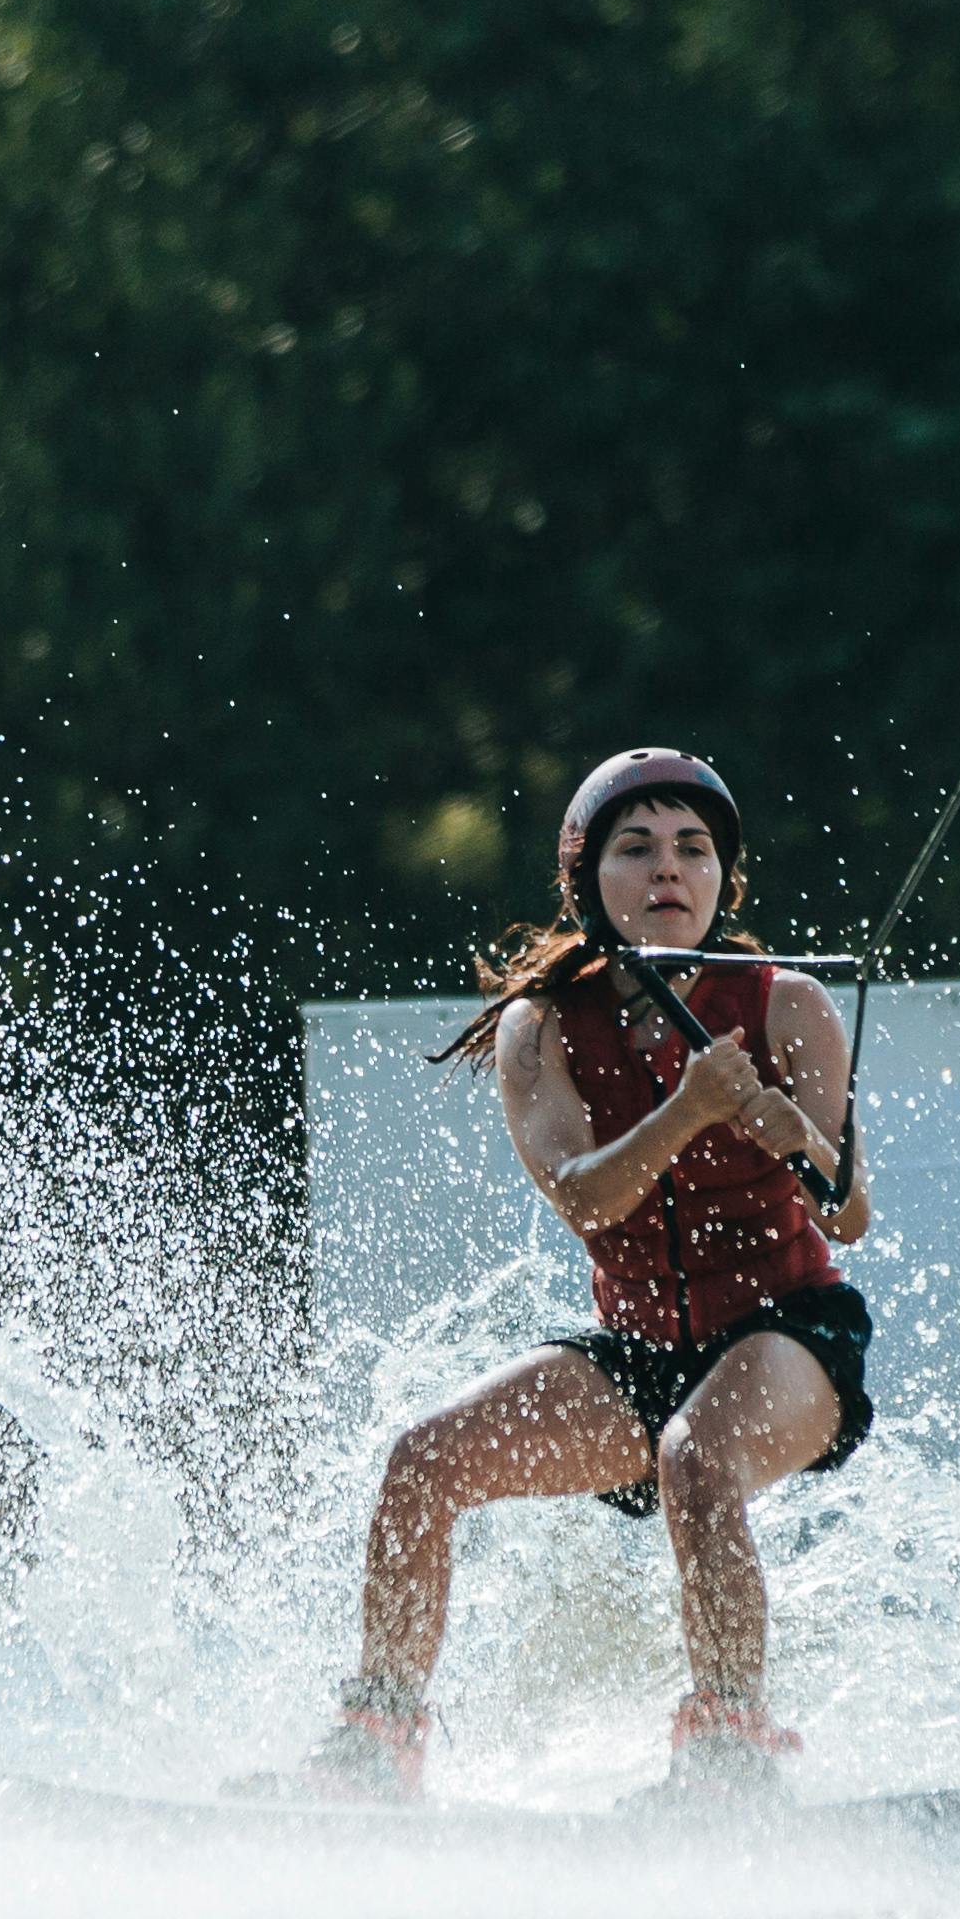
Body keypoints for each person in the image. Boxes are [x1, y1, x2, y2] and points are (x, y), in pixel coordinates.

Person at [259, 747, 874, 1809]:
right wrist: (689, 1110)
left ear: (724, 879)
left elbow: (850, 1211)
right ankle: (378, 1740)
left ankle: (732, 1745)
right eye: (635, 850)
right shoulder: (538, 1025)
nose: (667, 871)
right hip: (640, 1349)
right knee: (422, 1463)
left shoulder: (789, 1005)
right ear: (587, 880)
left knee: (697, 1452)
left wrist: (785, 1129)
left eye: (692, 850)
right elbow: (587, 1196)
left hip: (789, 1333)